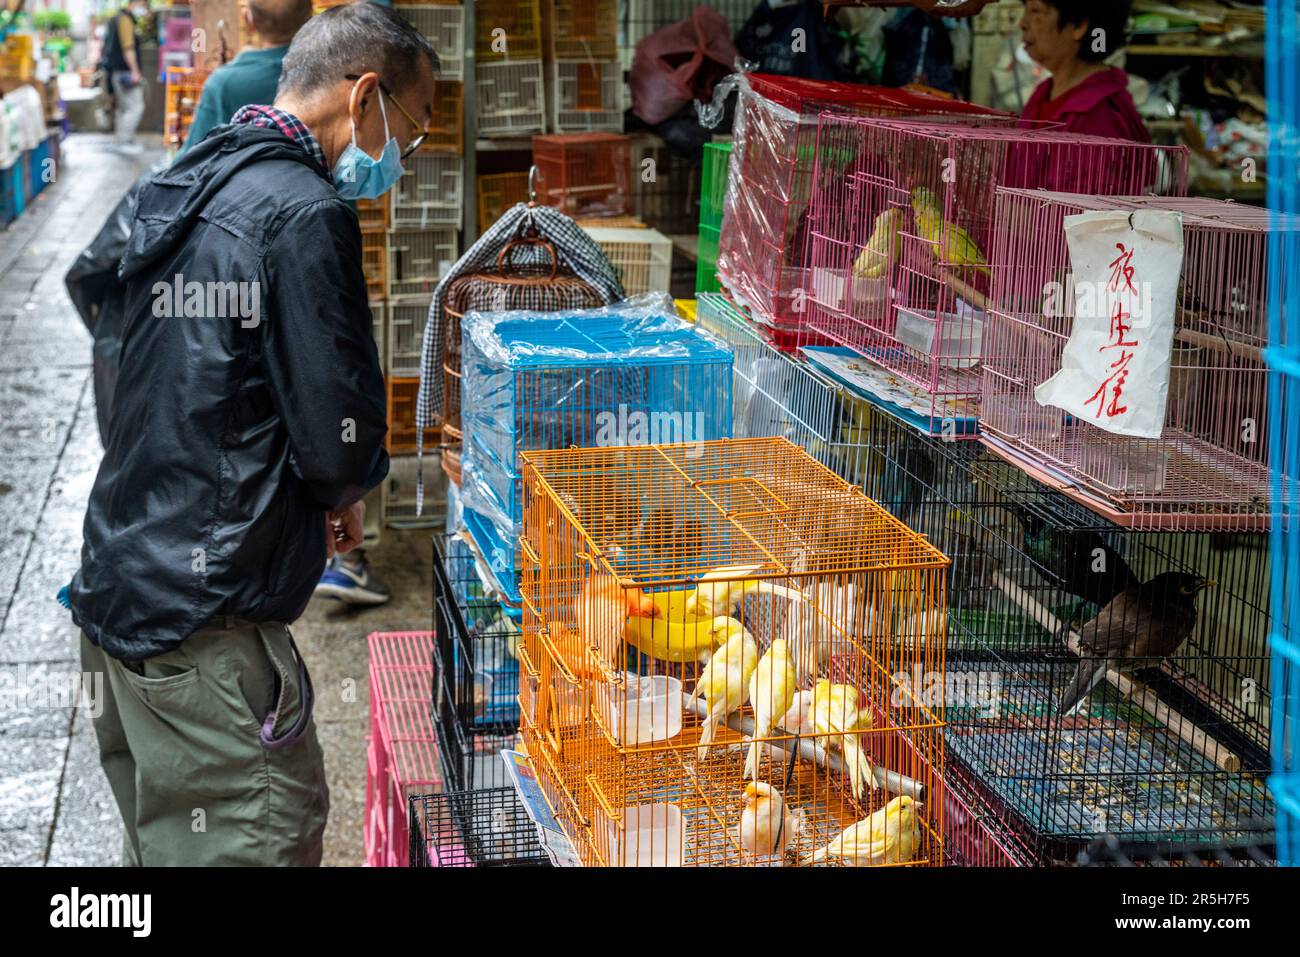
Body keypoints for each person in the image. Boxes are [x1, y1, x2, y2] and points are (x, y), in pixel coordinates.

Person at [67, 3, 440, 866]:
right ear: (366, 98)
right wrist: (340, 488)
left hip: (120, 582)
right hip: (206, 626)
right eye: (410, 135)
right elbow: (338, 435)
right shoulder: (306, 212)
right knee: (256, 833)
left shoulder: (191, 171)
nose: (402, 162)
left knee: (163, 848)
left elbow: (98, 289)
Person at [179, 0, 313, 154]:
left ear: (248, 21)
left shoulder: (224, 84)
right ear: (310, 16)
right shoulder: (329, 71)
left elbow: (191, 157)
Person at [1017, 0, 1148, 142]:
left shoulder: (1099, 117)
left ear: (1078, 26)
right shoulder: (1043, 94)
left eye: (1035, 11)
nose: (1022, 24)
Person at [99, 1, 149, 152]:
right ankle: (124, 141)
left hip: (116, 71)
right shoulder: (125, 20)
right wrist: (135, 71)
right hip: (124, 71)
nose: (144, 8)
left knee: (123, 108)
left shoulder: (117, 18)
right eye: (144, 4)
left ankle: (121, 141)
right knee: (136, 107)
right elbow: (128, 47)